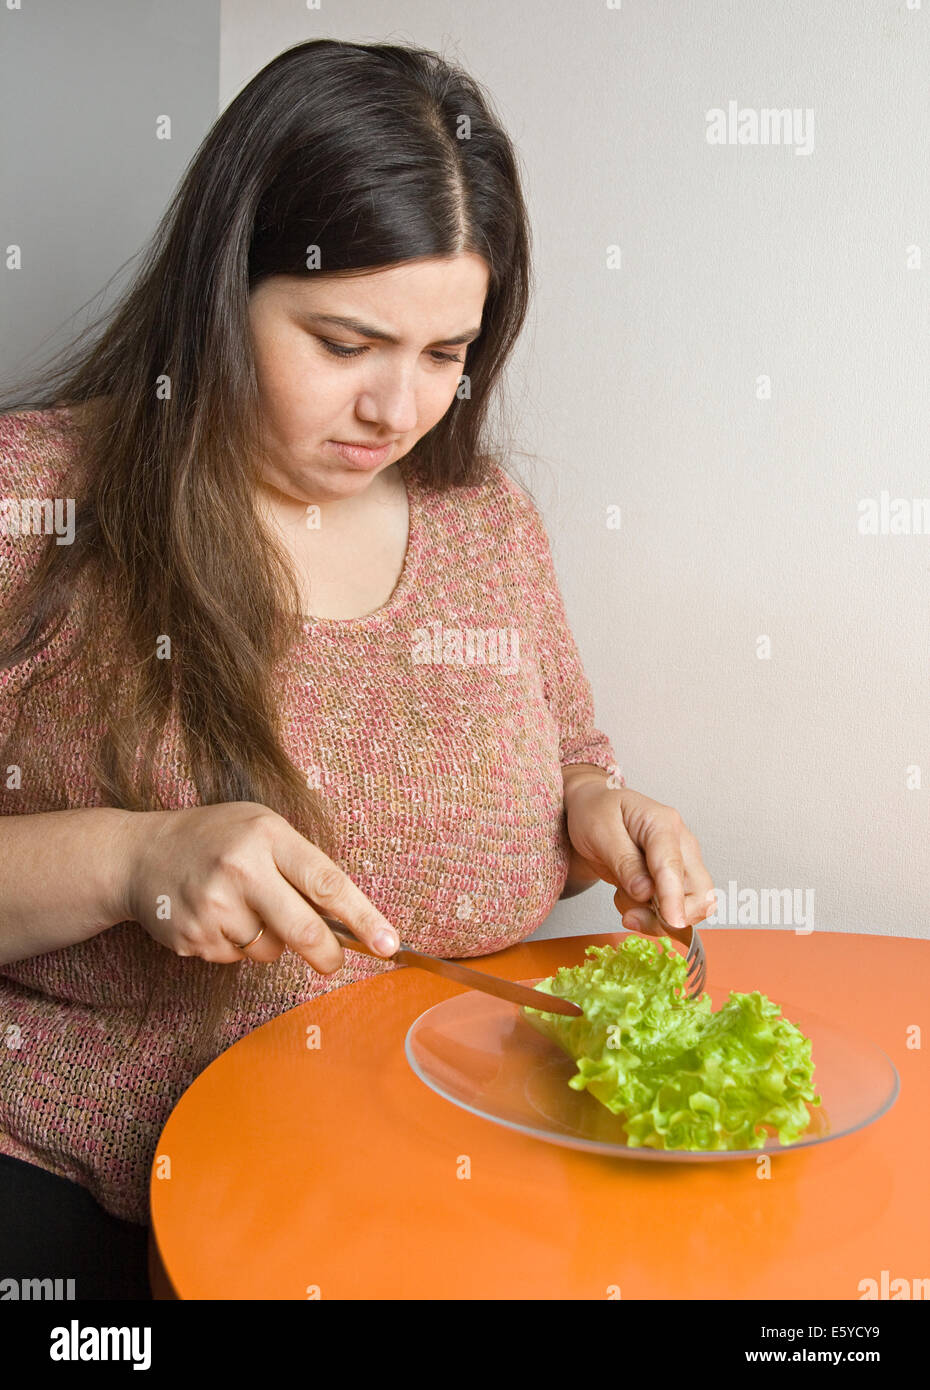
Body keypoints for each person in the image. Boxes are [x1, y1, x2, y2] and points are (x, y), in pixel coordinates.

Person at [0, 38, 714, 1300]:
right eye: (345, 341)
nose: (400, 410)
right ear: (223, 290)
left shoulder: (481, 516)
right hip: (75, 1198)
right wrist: (129, 857)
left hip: (411, 1183)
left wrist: (602, 813)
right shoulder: (34, 498)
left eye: (448, 354)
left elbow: (572, 757)